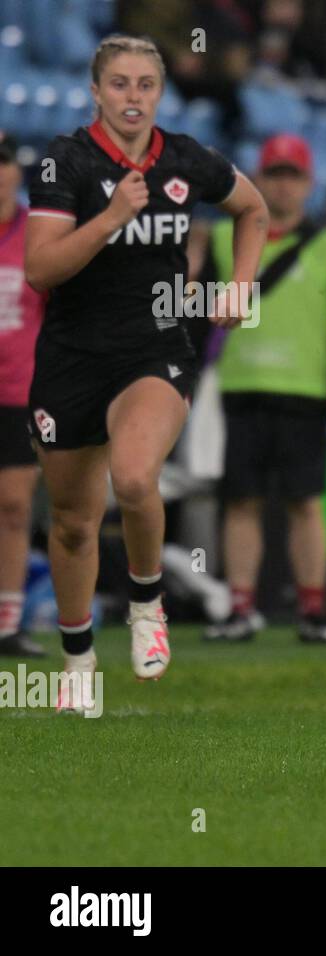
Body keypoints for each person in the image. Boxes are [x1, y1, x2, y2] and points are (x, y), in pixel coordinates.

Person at [23, 35, 267, 709]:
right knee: (72, 521)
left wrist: (241, 286)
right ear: (96, 92)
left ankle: (147, 604)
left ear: (161, 93)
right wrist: (109, 218)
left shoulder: (186, 158)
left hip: (155, 347)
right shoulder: (63, 162)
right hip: (72, 355)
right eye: (120, 85)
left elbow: (253, 209)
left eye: (145, 85)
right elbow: (41, 269)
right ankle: (77, 664)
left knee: (133, 476)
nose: (133, 98)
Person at [199, 133, 326, 644]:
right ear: (258, 178)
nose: (283, 185)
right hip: (242, 387)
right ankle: (241, 608)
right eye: (274, 175)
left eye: (293, 176)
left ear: (308, 184)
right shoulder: (227, 241)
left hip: (306, 393)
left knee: (306, 502)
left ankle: (311, 612)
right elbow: (199, 320)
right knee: (241, 501)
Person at [0, 134, 47, 657]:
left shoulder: (39, 232)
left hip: (18, 390)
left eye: (4, 164)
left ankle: (7, 620)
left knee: (14, 507)